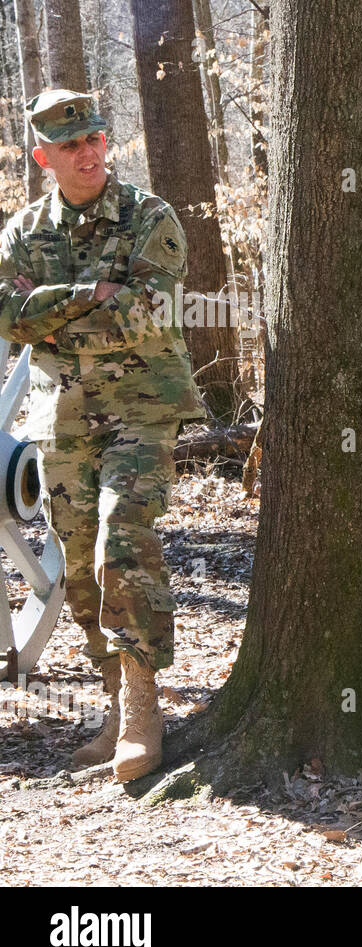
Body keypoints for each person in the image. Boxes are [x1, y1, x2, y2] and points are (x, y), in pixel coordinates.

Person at [0, 90, 205, 781]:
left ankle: (146, 708)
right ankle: (113, 703)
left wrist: (50, 310)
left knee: (123, 540)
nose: (88, 154)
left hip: (141, 406)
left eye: (95, 139)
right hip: (61, 416)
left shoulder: (151, 217)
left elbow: (148, 316)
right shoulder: (25, 231)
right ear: (44, 157)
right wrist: (93, 293)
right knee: (80, 560)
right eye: (71, 146)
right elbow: (8, 316)